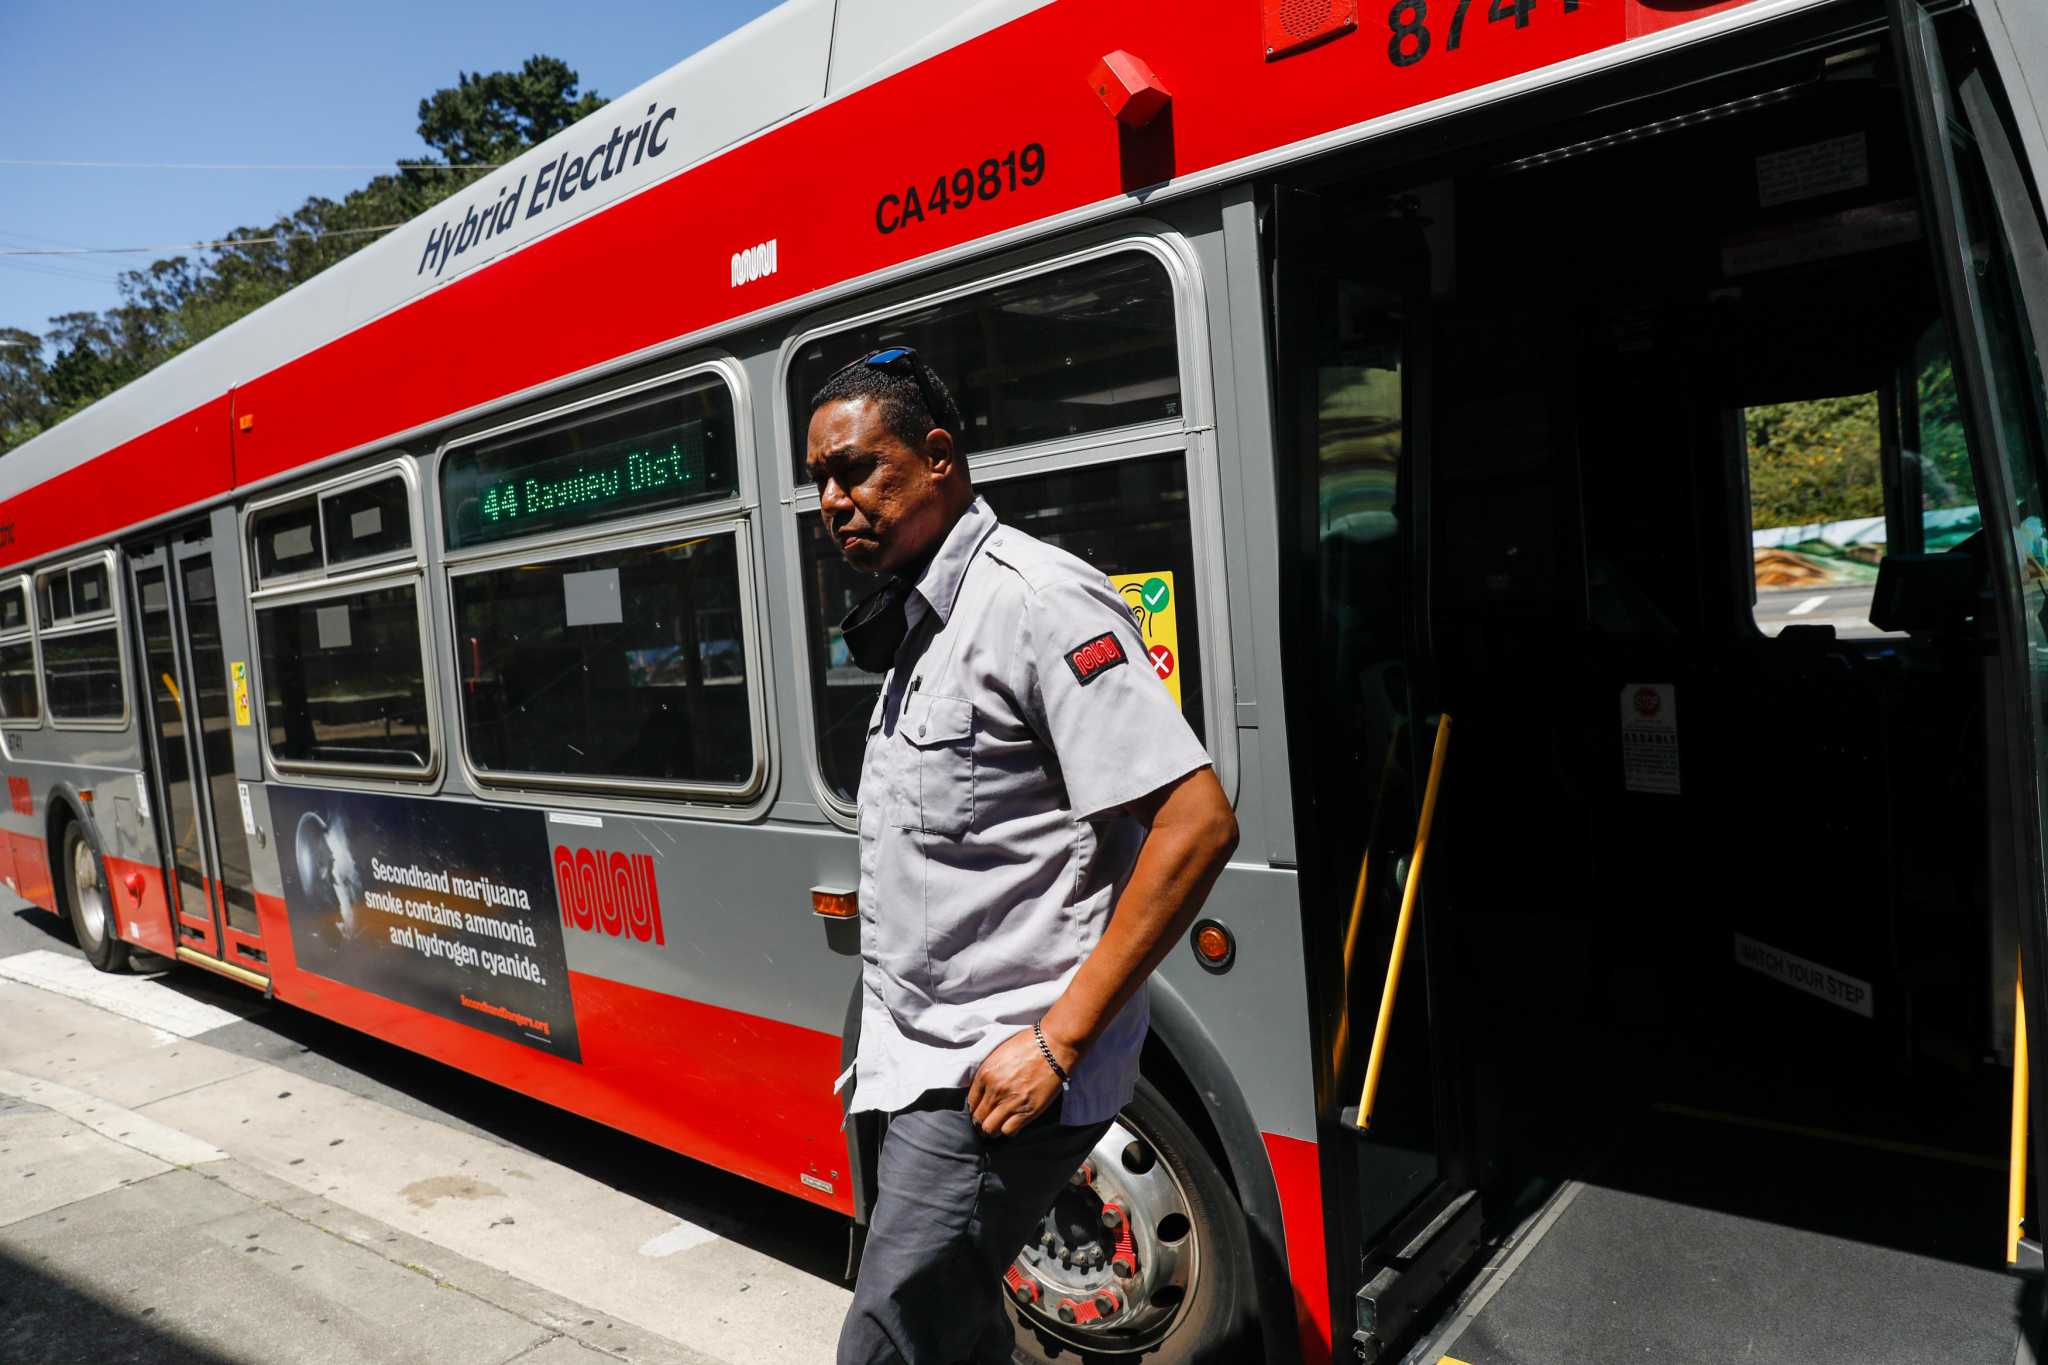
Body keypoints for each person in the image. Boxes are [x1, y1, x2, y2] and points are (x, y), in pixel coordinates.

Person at [809, 346, 1239, 1364]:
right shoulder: (922, 620)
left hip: (988, 1070)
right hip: (921, 1058)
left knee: (886, 1343)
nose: (832, 500)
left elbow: (1194, 822)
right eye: (819, 479)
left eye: (856, 468)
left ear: (939, 457)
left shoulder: (1034, 602)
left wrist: (1055, 1041)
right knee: (952, 1334)